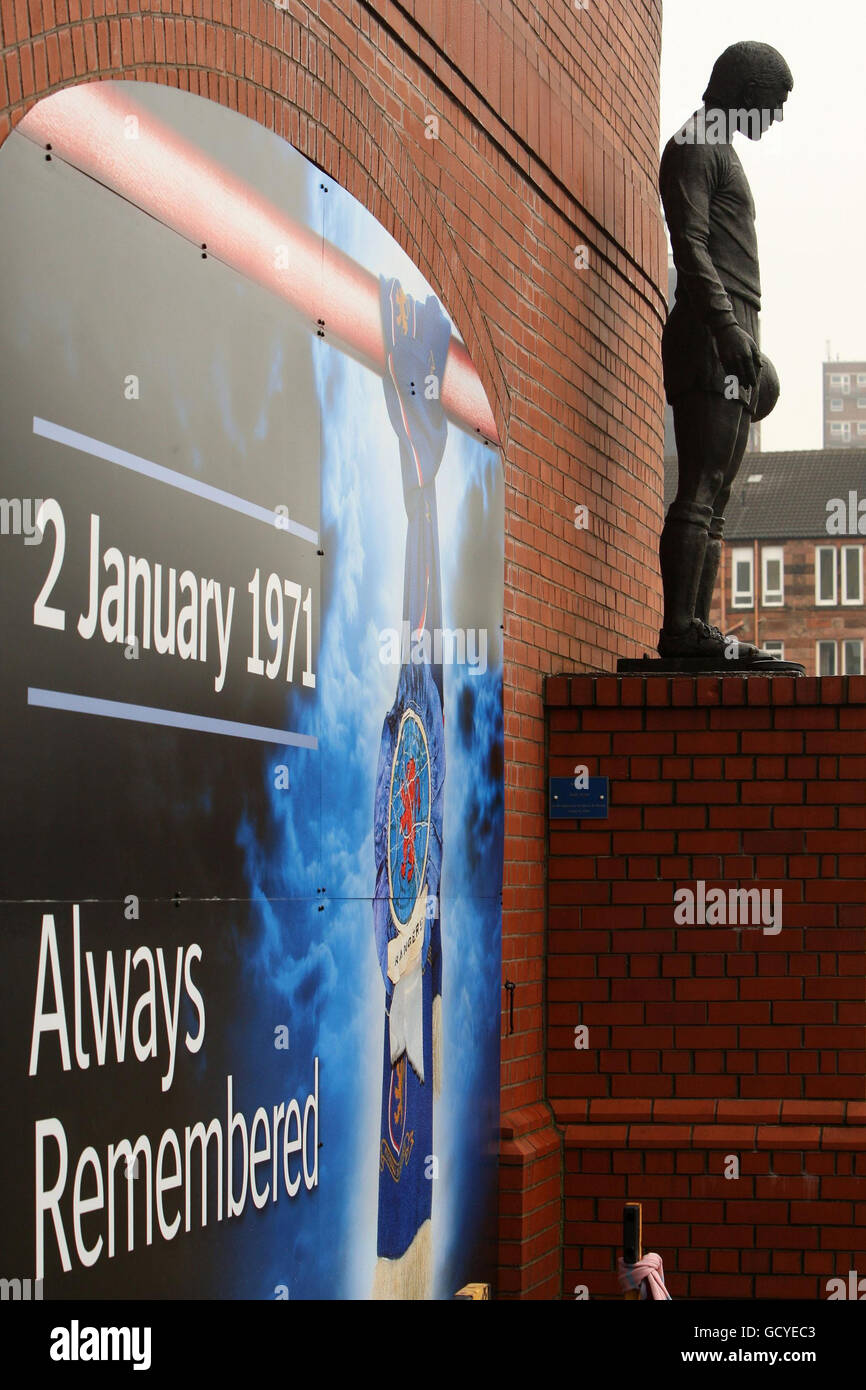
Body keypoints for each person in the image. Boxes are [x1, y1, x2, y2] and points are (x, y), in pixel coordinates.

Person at [658, 42, 793, 661]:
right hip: (710, 330)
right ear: (745, 91)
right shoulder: (695, 145)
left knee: (721, 495)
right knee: (702, 483)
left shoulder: (721, 149)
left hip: (734, 325)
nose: (777, 117)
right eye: (774, 103)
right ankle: (680, 630)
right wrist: (727, 330)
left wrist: (746, 335)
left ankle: (698, 630)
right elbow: (690, 245)